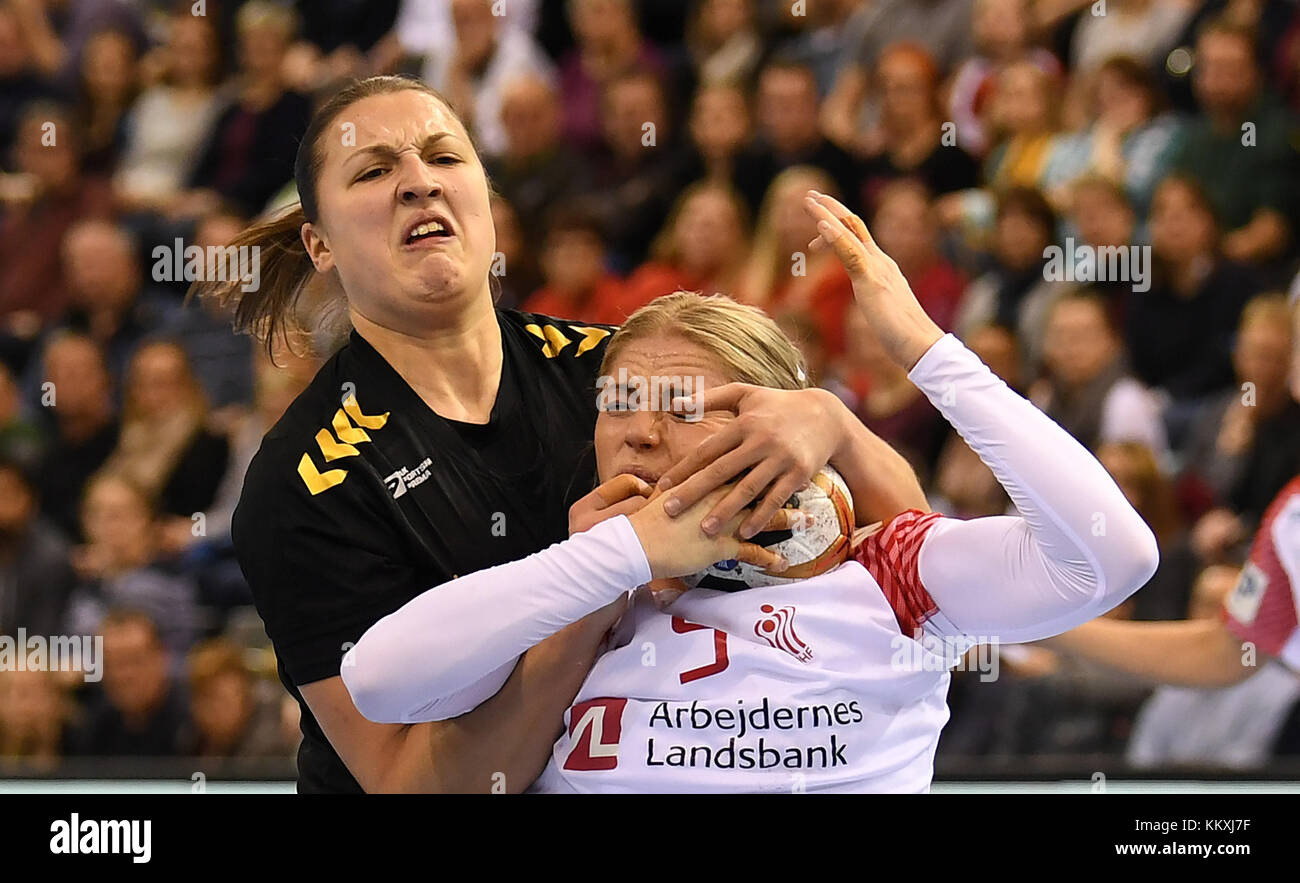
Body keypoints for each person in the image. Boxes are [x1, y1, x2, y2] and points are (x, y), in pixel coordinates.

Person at [199, 75, 927, 794]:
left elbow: (901, 560)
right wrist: (597, 585)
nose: (418, 182)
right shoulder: (301, 482)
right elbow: (410, 785)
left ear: (487, 200)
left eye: (444, 157)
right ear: (320, 246)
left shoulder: (622, 370)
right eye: (375, 169)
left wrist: (837, 425)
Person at [342, 192, 1159, 793]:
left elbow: (1112, 556)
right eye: (617, 405)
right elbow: (379, 680)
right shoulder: (563, 593)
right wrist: (618, 560)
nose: (640, 432)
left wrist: (923, 352)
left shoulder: (884, 573)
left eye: (685, 407)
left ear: (778, 431)